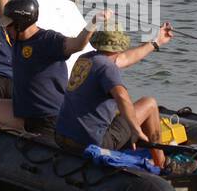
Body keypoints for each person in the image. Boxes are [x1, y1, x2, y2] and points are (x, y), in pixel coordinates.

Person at [0, 0, 109, 135]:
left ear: (20, 24)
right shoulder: (17, 37)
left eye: (8, 25)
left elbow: (77, 44)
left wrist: (94, 22)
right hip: (24, 113)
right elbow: (4, 12)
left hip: (48, 116)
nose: (5, 30)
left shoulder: (48, 40)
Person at [54, 23, 174, 168]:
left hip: (63, 138)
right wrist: (135, 129)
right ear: (119, 47)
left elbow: (127, 58)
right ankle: (162, 164)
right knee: (149, 104)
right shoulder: (107, 67)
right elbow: (122, 96)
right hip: (92, 143)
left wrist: (157, 42)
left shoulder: (86, 59)